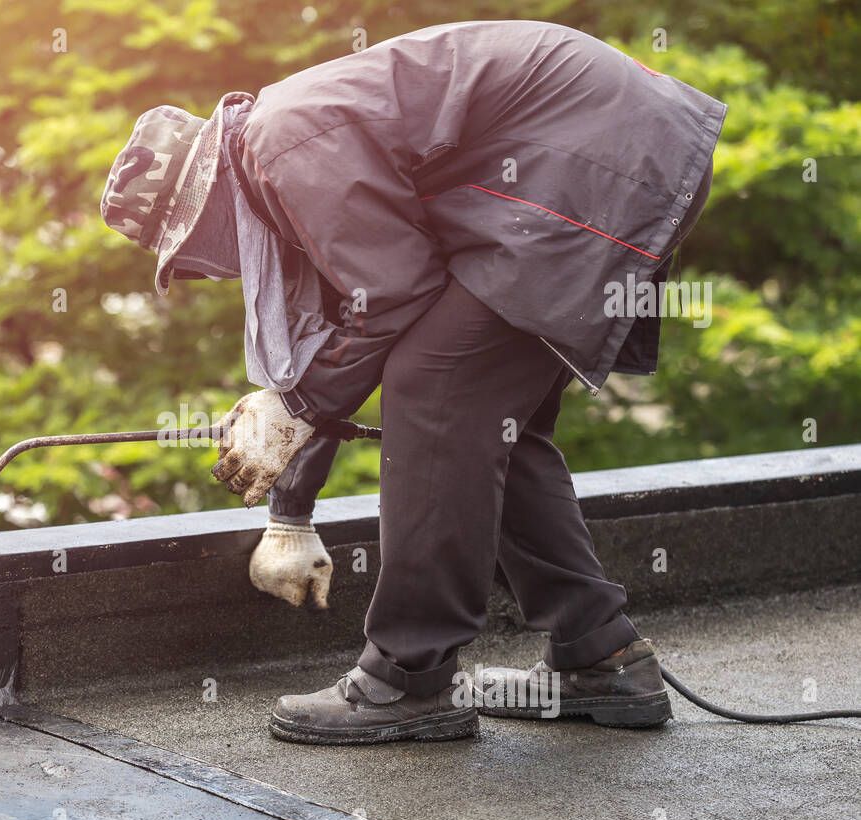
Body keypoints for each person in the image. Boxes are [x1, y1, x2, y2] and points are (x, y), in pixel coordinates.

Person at [100, 20, 724, 744]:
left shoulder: (283, 143)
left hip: (594, 163)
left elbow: (388, 299)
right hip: (613, 154)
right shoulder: (282, 156)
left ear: (205, 205)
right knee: (492, 426)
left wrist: (295, 408)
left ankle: (408, 677)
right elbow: (348, 329)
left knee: (435, 385)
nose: (209, 270)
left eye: (188, 251)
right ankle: (601, 656)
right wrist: (290, 514)